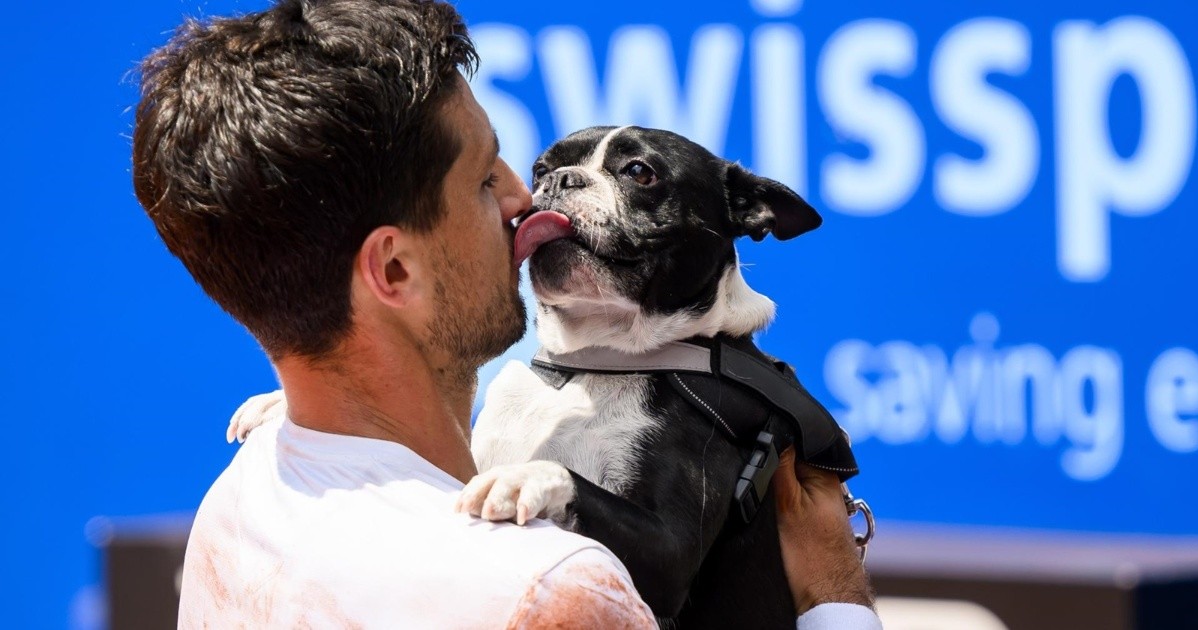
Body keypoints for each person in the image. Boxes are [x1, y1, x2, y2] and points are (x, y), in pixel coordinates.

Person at [131, 0, 880, 627]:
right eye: (488, 179)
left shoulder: (240, 503)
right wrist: (835, 600)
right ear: (394, 269)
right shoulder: (551, 592)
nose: (531, 198)